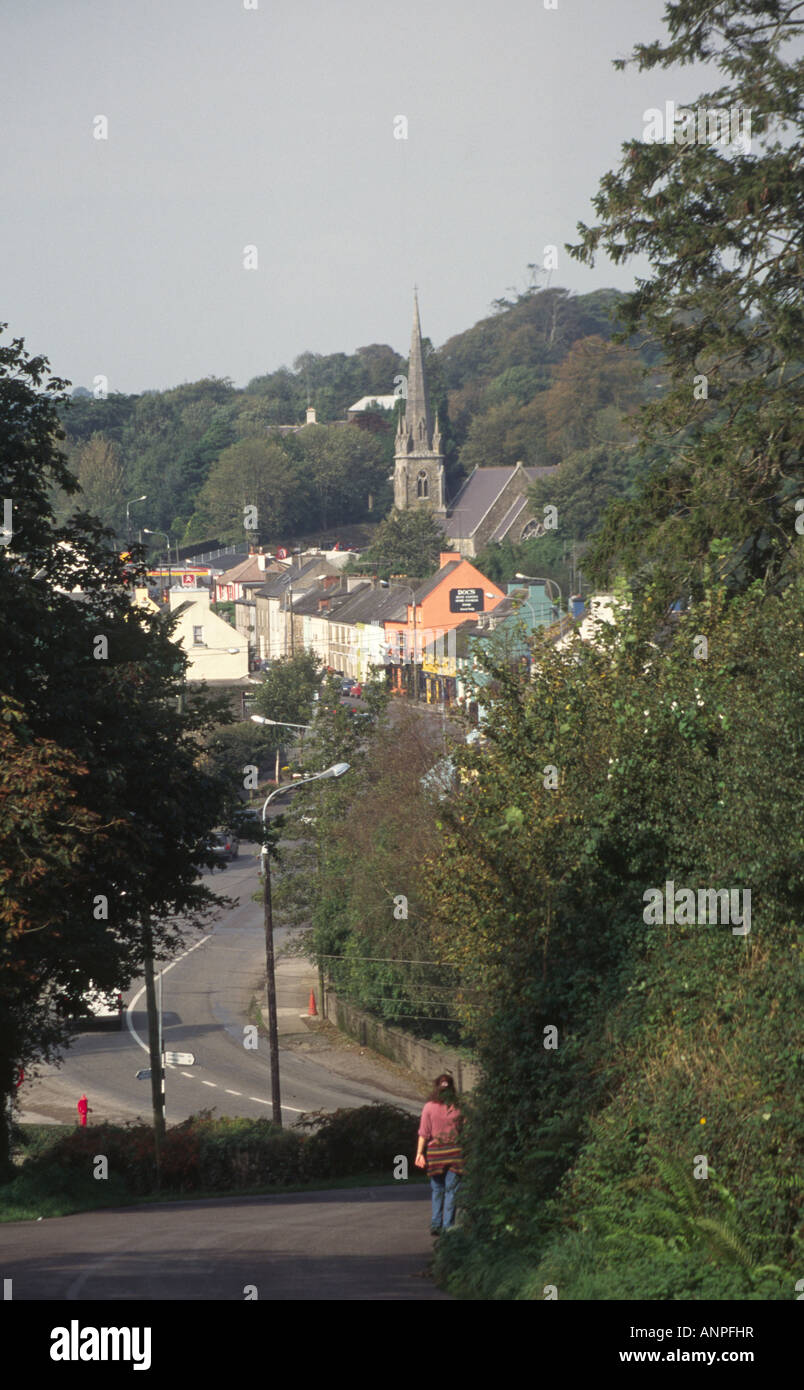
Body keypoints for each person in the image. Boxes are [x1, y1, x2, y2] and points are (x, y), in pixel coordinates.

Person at [415, 1072, 464, 1236]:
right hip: (455, 1153)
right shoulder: (458, 1107)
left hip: (435, 1154)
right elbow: (467, 1132)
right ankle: (447, 1226)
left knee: (437, 1190)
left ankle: (436, 1223)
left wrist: (419, 1154)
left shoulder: (429, 1107)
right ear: (452, 1089)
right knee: (451, 1190)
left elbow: (423, 1133)